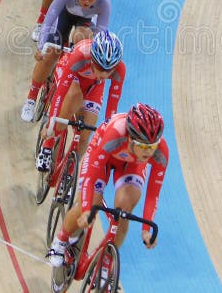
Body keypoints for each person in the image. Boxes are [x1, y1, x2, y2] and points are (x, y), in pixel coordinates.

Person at [47, 103, 168, 272]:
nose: (148, 152)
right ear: (130, 139)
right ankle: (60, 240)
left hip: (131, 165)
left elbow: (152, 195)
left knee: (124, 210)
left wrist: (146, 230)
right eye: (143, 146)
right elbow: (91, 175)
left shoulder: (160, 152)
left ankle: (106, 263)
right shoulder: (115, 134)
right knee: (86, 205)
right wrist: (88, 208)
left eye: (152, 146)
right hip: (102, 155)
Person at [21, 0, 113, 123]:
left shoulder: (104, 3)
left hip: (84, 22)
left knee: (83, 37)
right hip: (64, 17)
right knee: (50, 54)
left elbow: (99, 36)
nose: (86, 1)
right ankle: (31, 98)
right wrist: (41, 45)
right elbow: (51, 16)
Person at [33, 31, 126, 165]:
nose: (103, 74)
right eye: (99, 67)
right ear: (92, 59)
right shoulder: (80, 55)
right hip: (70, 74)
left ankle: (69, 172)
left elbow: (112, 107)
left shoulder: (120, 70)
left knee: (85, 134)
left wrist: (108, 132)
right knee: (73, 98)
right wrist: (51, 123)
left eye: (109, 70)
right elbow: (61, 92)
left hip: (94, 85)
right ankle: (48, 145)